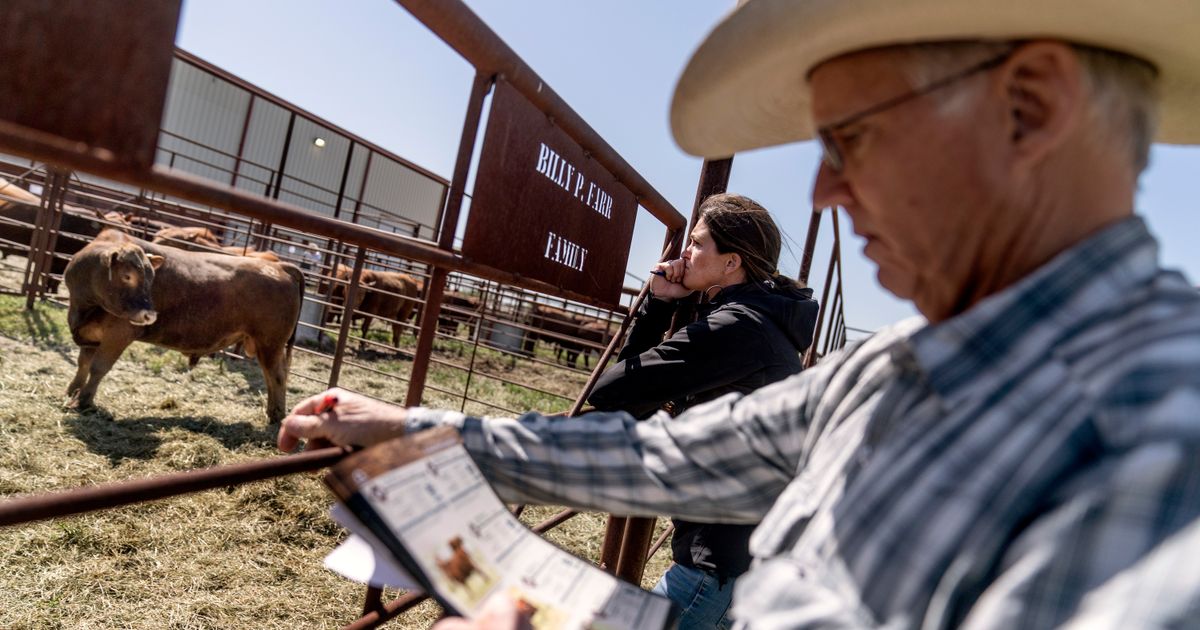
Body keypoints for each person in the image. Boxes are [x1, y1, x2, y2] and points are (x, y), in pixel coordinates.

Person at [279, 0, 1200, 627]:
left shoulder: (1165, 436)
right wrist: (410, 429)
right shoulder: (903, 364)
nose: (827, 188)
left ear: (1028, 110)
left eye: (853, 138)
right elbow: (673, 455)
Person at [586, 192, 818, 629]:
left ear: (731, 262)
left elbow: (612, 391)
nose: (684, 254)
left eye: (696, 243)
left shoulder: (739, 327)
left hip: (714, 564)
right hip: (743, 556)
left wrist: (657, 305)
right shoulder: (765, 322)